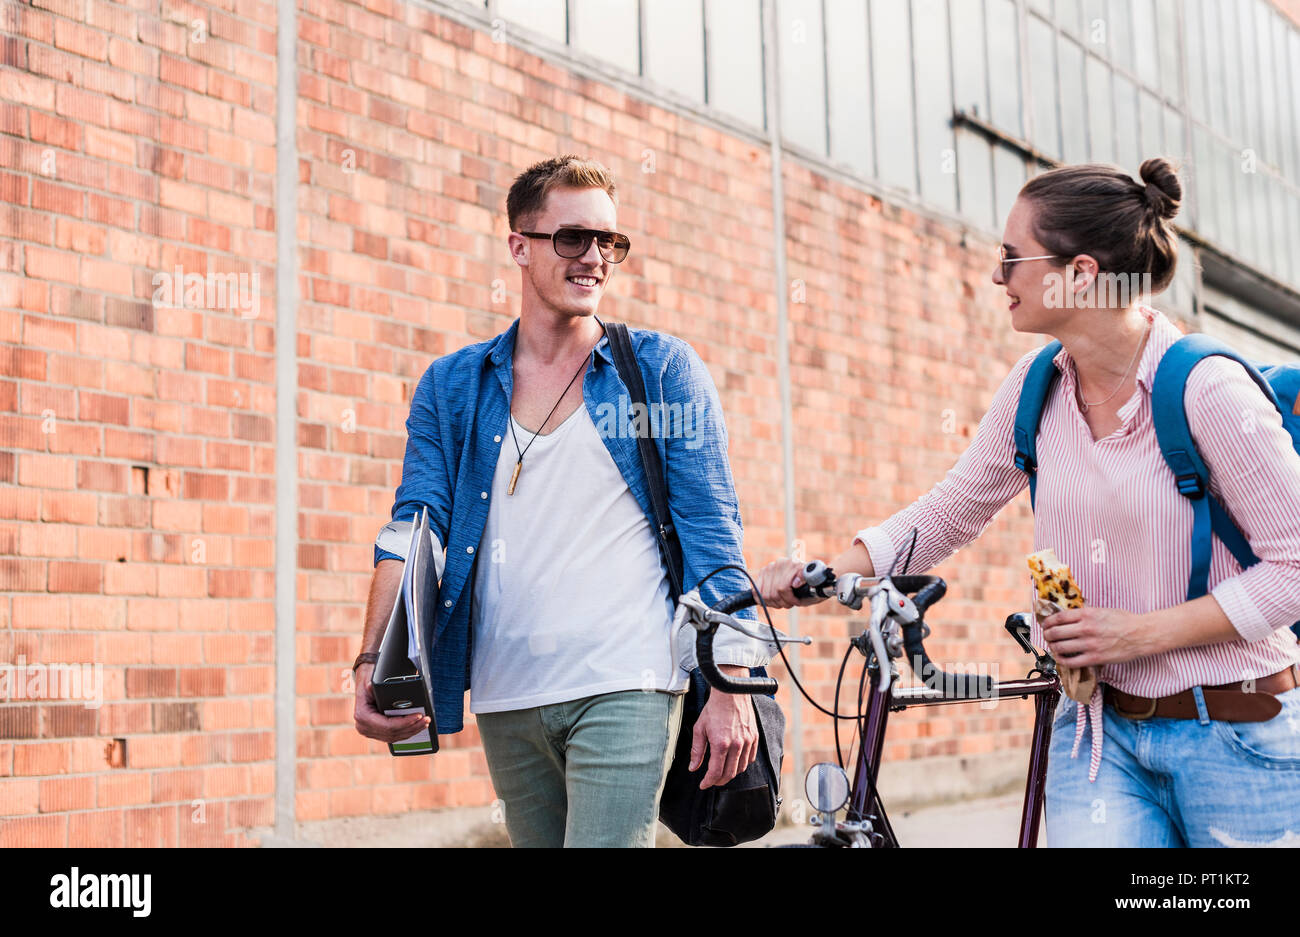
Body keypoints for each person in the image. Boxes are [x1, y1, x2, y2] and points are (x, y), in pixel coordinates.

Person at [755, 158, 1300, 847]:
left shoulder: (1207, 389)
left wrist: (1138, 634)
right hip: (1096, 739)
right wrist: (830, 572)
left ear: (1081, 273)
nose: (995, 276)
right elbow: (952, 509)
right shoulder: (1037, 386)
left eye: (1011, 258)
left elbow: (1295, 565)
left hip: (1235, 735)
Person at [351, 155, 768, 847]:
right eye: (573, 238)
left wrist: (732, 683)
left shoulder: (660, 372)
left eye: (610, 242)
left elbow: (713, 533)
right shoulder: (453, 387)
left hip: (627, 678)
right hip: (507, 689)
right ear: (519, 245)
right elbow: (412, 531)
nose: (595, 258)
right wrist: (372, 660)